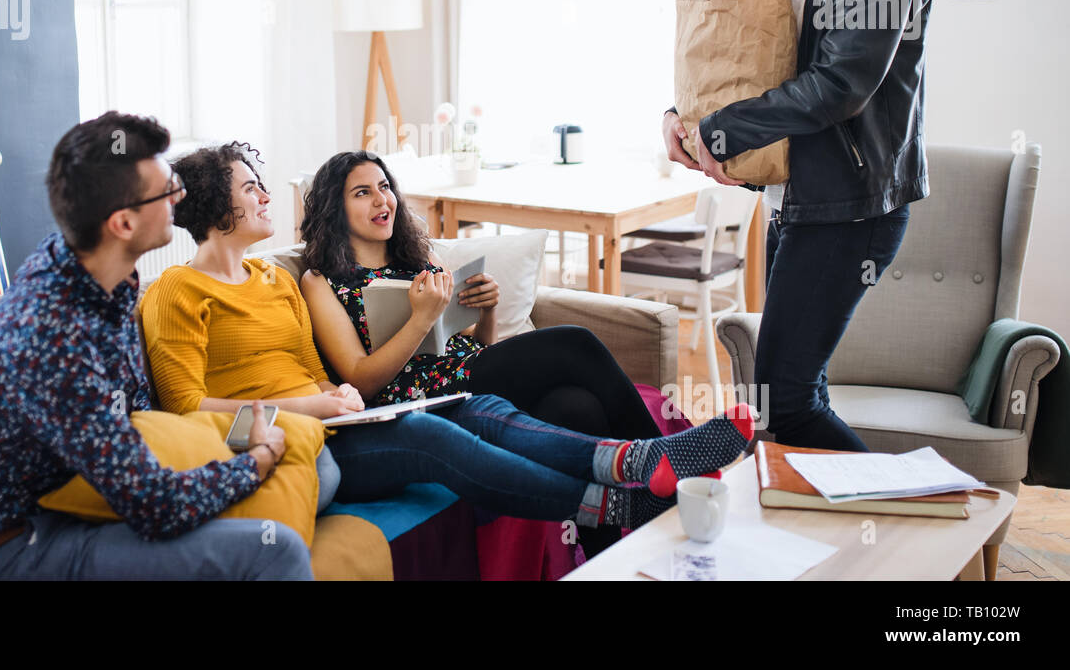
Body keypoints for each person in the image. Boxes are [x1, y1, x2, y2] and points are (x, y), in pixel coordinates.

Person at [139, 142, 755, 539]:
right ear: (215, 204)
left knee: (486, 407)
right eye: (251, 188)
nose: (266, 196)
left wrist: (336, 395)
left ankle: (634, 464)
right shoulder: (175, 292)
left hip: (344, 418)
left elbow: (316, 370)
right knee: (443, 430)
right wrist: (323, 402)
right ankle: (623, 497)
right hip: (299, 437)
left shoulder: (273, 279)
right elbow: (184, 407)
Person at [663, 0, 931, 452]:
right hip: (801, 198)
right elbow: (768, 68)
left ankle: (909, 533)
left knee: (779, 400)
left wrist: (719, 131)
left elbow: (837, 86)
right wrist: (684, 115)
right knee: (798, 391)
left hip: (852, 210)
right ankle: (838, 545)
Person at [0, 113, 312, 580]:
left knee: (313, 476)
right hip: (31, 542)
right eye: (167, 190)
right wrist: (257, 461)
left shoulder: (103, 275)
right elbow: (155, 504)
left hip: (101, 496)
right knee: (276, 549)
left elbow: (140, 424)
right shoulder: (53, 335)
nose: (181, 196)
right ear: (123, 222)